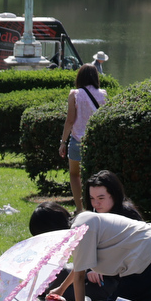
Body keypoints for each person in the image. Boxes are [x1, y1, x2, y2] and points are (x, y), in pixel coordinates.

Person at [46, 171, 151, 301]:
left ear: (114, 195)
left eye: (101, 198)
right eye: (92, 198)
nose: (96, 203)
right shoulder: (90, 219)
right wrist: (61, 288)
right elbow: (80, 265)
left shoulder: (87, 224)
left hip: (146, 258)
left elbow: (79, 276)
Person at [60, 64, 108, 203]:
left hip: (77, 140)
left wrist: (63, 142)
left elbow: (70, 120)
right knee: (96, 176)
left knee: (75, 175)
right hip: (95, 141)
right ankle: (95, 206)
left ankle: (80, 208)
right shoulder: (103, 94)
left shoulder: (74, 94)